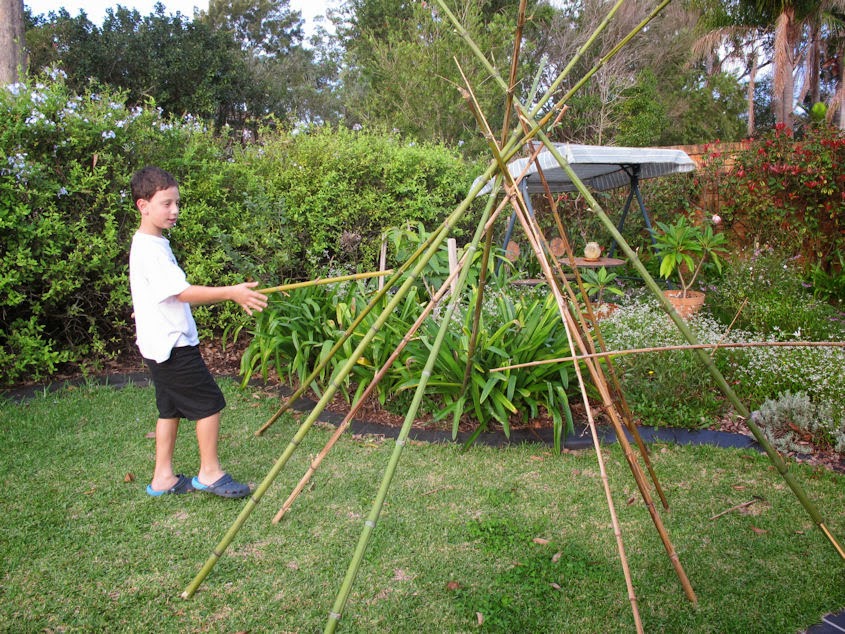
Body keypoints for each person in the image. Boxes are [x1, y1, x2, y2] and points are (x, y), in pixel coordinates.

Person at [129, 166, 268, 498]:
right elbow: (181, 292)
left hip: (157, 343)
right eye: (166, 203)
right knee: (208, 403)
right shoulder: (150, 249)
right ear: (143, 206)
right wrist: (231, 292)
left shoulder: (151, 242)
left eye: (177, 203)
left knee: (170, 409)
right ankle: (209, 473)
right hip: (172, 345)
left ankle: (163, 477)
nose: (174, 210)